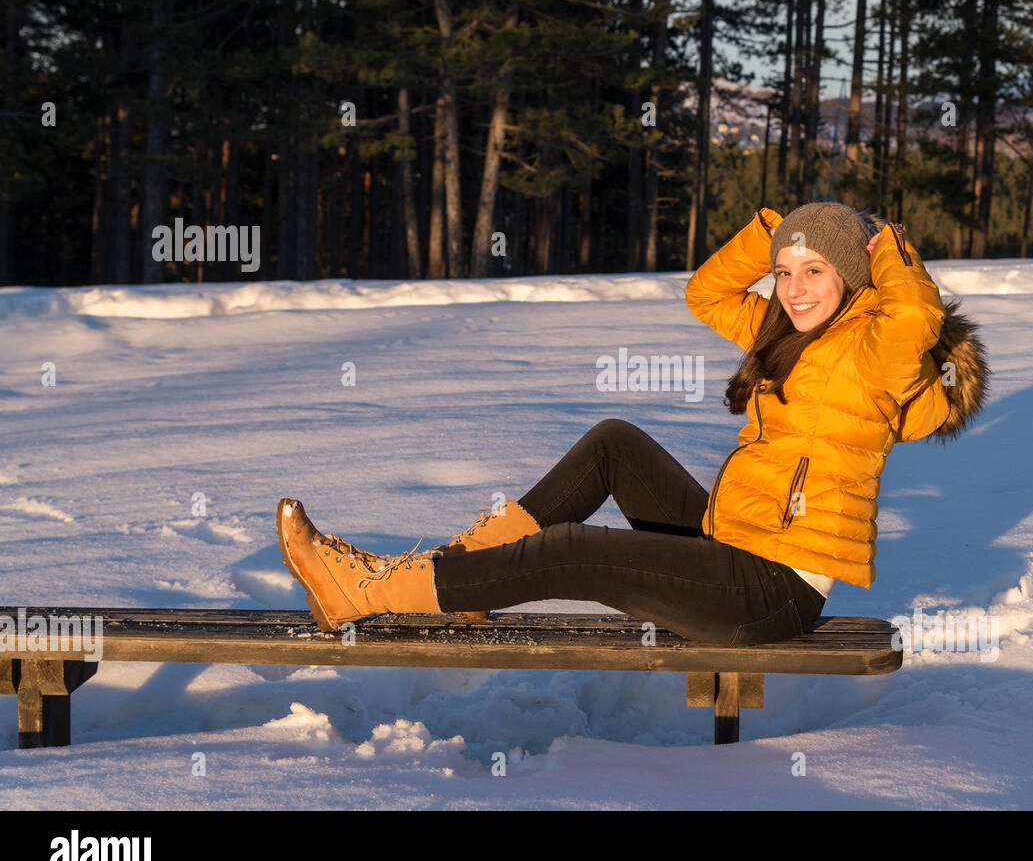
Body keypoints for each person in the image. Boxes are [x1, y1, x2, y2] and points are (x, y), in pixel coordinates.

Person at [276, 202, 988, 645]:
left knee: (573, 551)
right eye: (784, 272)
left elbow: (916, 316)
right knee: (615, 443)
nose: (793, 289)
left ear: (853, 279)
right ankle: (465, 584)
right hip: (736, 540)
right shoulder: (788, 331)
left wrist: (885, 243)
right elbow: (706, 292)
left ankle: (367, 591)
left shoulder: (874, 353)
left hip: (772, 590)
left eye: (814, 272)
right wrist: (777, 229)